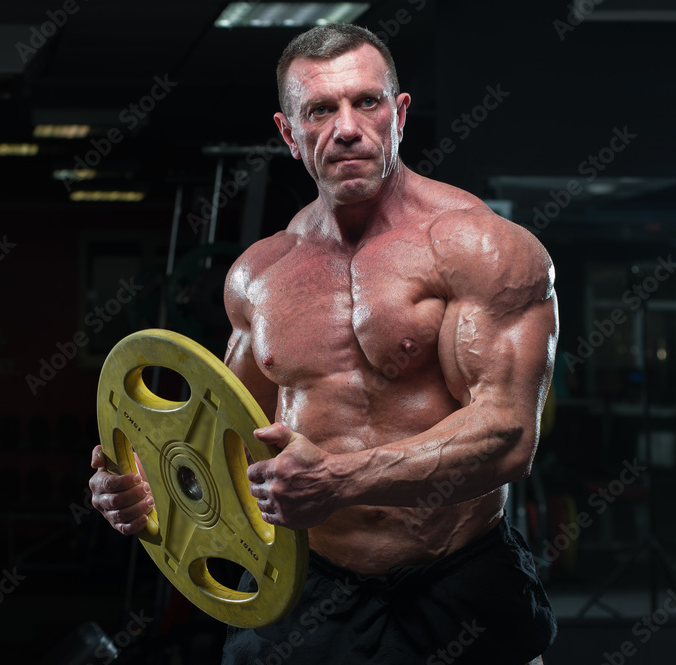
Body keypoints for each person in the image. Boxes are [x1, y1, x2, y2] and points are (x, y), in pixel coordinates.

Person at [89, 23, 558, 665]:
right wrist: (144, 490)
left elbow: (508, 435)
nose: (346, 127)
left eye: (366, 102)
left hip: (457, 581)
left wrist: (341, 480)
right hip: (310, 587)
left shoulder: (482, 248)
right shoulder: (259, 275)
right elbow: (228, 441)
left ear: (399, 114)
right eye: (320, 109)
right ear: (289, 133)